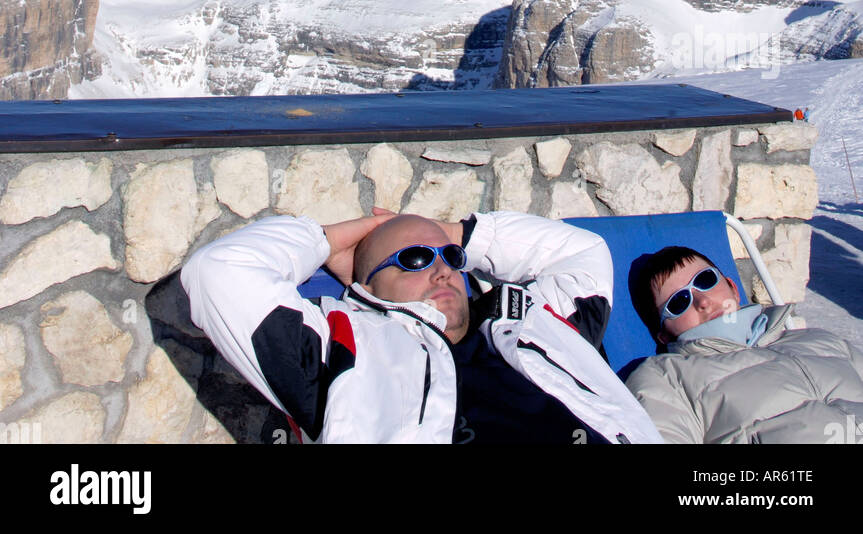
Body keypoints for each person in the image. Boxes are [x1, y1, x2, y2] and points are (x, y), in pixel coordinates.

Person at [181, 206, 663, 445]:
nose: (442, 269)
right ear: (364, 289)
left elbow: (584, 252)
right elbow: (218, 272)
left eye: (450, 258)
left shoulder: (536, 320)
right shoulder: (344, 349)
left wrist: (458, 235)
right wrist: (330, 240)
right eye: (412, 259)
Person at [625, 245, 863, 444]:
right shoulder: (667, 377)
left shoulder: (817, 339)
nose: (703, 301)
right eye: (679, 302)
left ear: (733, 288)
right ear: (663, 335)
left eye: (705, 280)